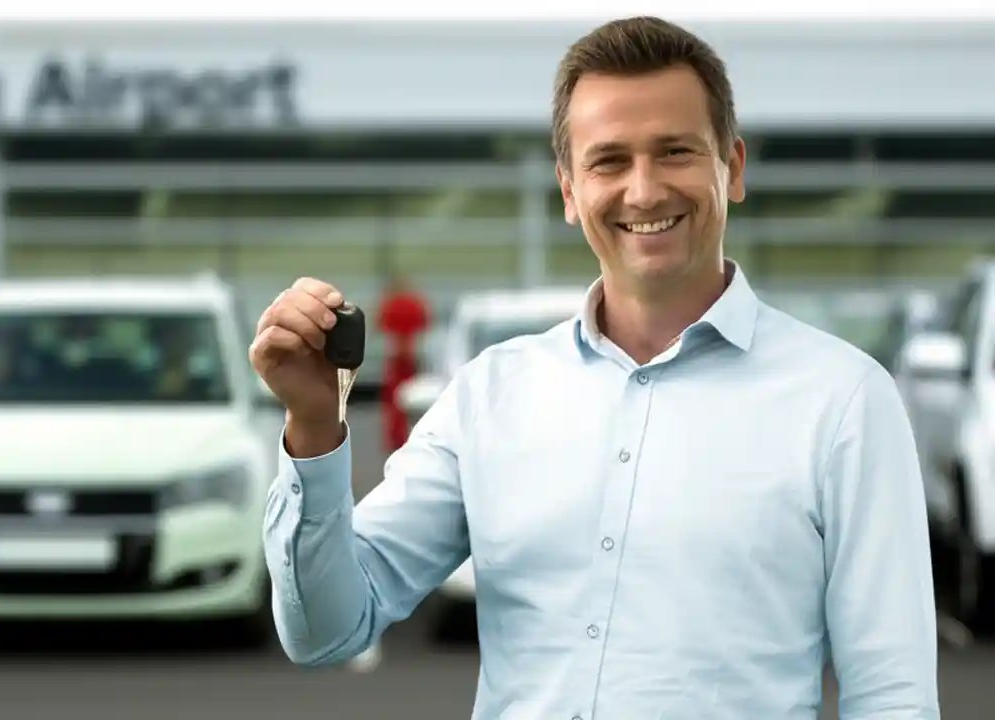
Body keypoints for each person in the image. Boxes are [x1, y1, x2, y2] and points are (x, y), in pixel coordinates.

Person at [248, 16, 939, 719]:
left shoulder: (844, 401)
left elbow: (893, 696)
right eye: (609, 161)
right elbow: (326, 631)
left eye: (674, 152)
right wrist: (313, 427)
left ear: (730, 169)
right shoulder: (491, 395)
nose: (644, 191)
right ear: (570, 191)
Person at [375, 273, 431, 454]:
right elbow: (425, 325)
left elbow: (380, 325)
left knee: (394, 401)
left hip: (395, 357)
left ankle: (396, 439)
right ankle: (413, 435)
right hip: (413, 355)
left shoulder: (390, 304)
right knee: (414, 398)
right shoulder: (415, 303)